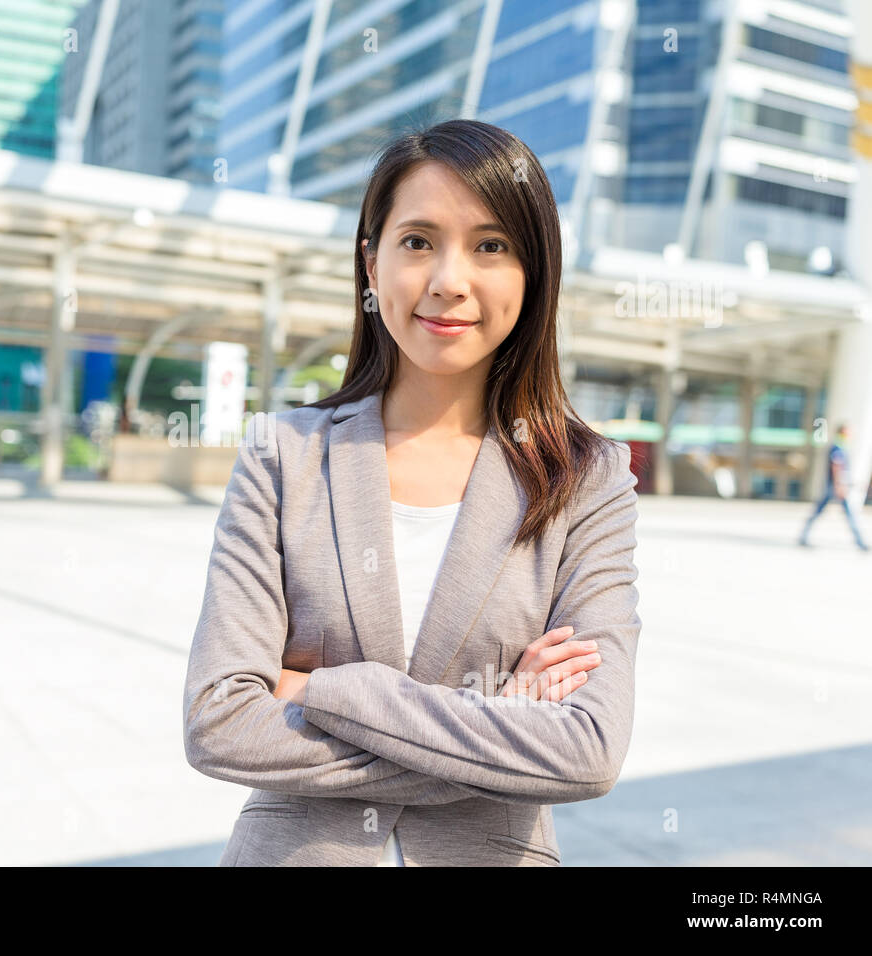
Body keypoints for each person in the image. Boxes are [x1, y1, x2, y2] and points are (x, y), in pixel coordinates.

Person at [183, 120, 641, 866]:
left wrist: (322, 690)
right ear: (371, 262)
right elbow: (218, 722)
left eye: (490, 246)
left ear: (534, 272)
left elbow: (588, 750)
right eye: (418, 240)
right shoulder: (283, 455)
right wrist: (496, 724)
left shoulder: (589, 481)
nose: (449, 280)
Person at [798, 422, 869, 551]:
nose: (850, 435)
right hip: (834, 486)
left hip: (835, 486)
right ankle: (860, 542)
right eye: (848, 432)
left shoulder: (840, 446)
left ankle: (803, 536)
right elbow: (836, 467)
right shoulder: (837, 448)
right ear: (842, 432)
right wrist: (839, 485)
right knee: (847, 514)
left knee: (821, 512)